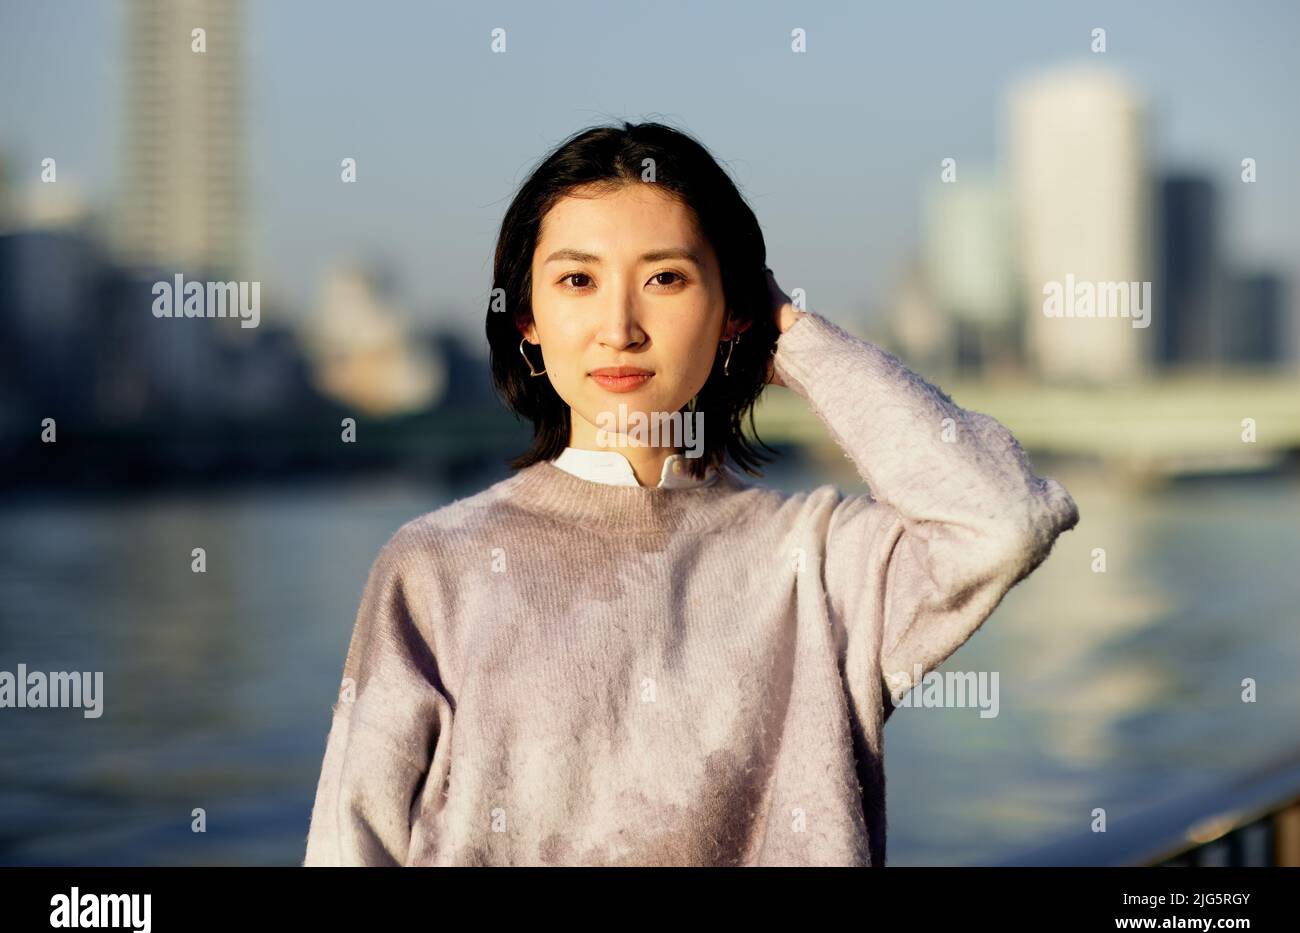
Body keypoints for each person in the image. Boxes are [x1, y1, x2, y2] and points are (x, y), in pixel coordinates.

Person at [303, 121, 1080, 866]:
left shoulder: (819, 561)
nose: (619, 326)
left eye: (666, 278)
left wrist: (797, 338)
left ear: (733, 308)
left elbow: (1003, 519)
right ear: (528, 319)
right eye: (577, 280)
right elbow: (351, 839)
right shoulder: (436, 564)